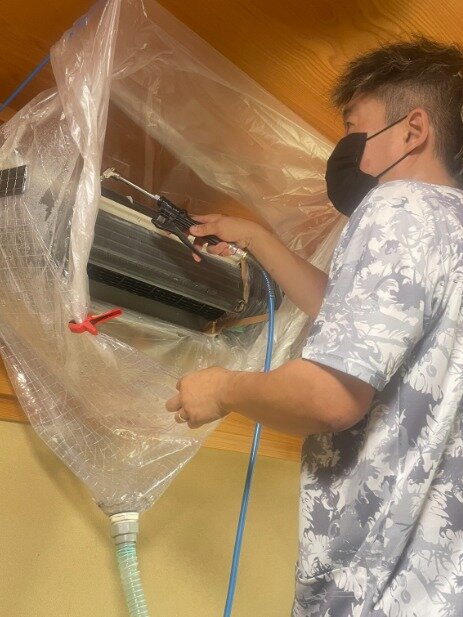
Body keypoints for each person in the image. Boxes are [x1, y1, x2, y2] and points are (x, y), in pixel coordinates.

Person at [166, 38, 463, 616]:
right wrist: (256, 238)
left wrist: (222, 389)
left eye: (355, 130)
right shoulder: (449, 229)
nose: (346, 151)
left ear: (413, 130)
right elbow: (359, 324)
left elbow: (331, 397)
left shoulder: (398, 206)